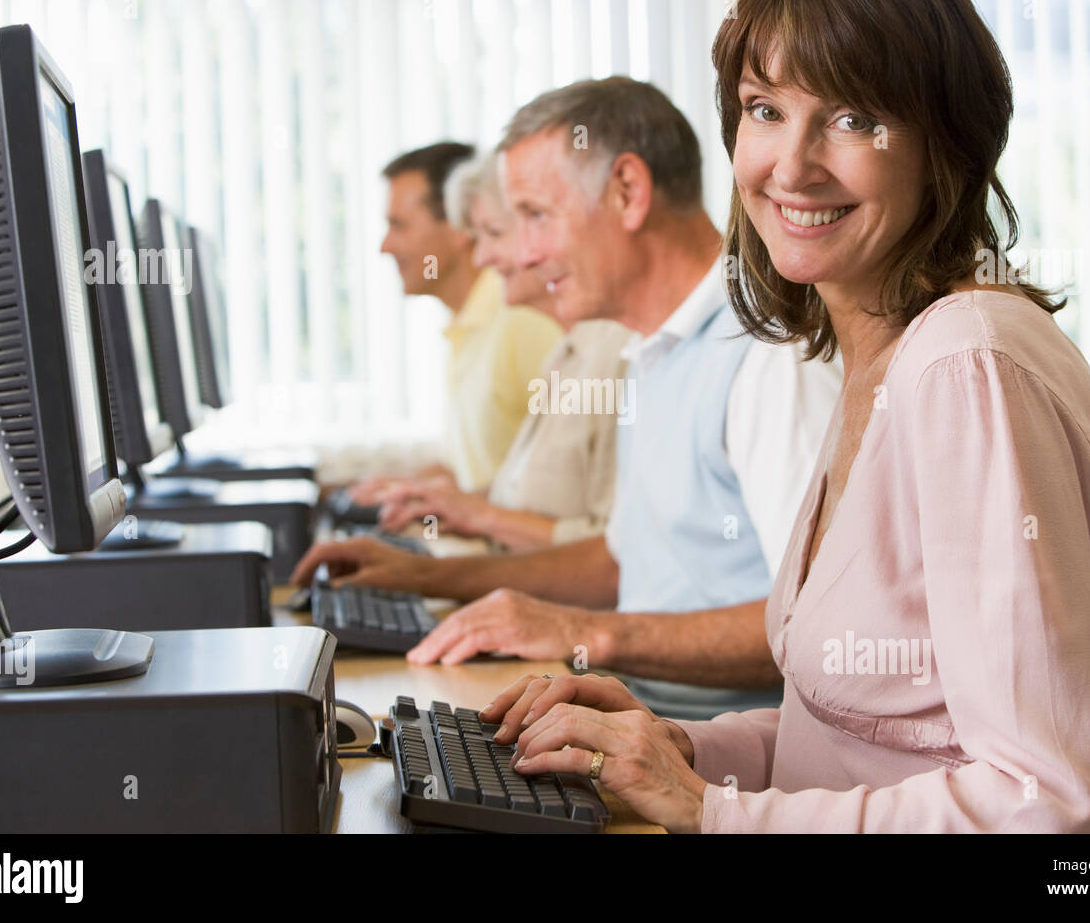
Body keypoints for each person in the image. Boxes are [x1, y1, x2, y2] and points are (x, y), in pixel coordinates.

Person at [475, 0, 1090, 832]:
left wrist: (712, 814)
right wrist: (685, 749)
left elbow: (1048, 805)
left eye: (853, 118)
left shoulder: (965, 367)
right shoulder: (878, 357)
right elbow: (864, 740)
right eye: (766, 109)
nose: (791, 167)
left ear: (944, 141)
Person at [292, 78, 843, 717]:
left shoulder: (769, 356)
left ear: (628, 192)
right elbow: (620, 561)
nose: (522, 253)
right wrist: (426, 578)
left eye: (535, 215)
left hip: (721, 767)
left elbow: (816, 628)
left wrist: (585, 634)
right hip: (647, 717)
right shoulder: (653, 349)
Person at [374, 154, 634, 552]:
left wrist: (479, 517)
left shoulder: (531, 326)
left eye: (492, 233)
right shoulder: (562, 351)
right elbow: (520, 485)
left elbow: (608, 542)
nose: (483, 258)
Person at [353, 142, 562, 499]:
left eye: (398, 226)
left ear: (459, 224)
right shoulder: (467, 324)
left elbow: (566, 490)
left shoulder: (523, 319)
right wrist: (413, 487)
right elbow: (492, 471)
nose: (385, 246)